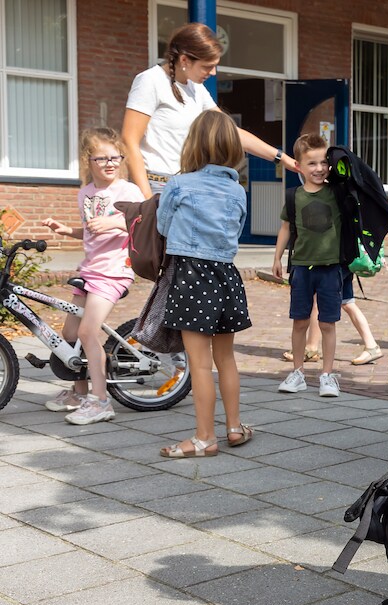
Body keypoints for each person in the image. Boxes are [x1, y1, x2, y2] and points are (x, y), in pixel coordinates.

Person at [156, 110, 254, 457]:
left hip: (192, 276)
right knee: (226, 358)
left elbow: (164, 227)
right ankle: (233, 427)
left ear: (193, 144)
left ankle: (203, 438)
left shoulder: (180, 184)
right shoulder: (238, 190)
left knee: (199, 363)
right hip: (226, 275)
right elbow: (236, 231)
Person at [122, 22, 297, 198]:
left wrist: (283, 159)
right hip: (159, 186)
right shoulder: (150, 81)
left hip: (189, 185)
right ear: (184, 60)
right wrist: (146, 201)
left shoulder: (195, 87)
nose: (213, 72)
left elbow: (230, 132)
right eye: (207, 66)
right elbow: (129, 141)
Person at [42, 128, 144, 425]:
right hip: (89, 268)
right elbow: (91, 230)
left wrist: (114, 224)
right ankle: (78, 391)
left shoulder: (128, 192)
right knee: (70, 335)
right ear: (88, 160)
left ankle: (101, 401)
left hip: (114, 270)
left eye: (116, 157)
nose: (111, 163)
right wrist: (69, 231)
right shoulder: (85, 193)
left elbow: (145, 226)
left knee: (88, 332)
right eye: (103, 158)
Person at [271, 133, 344, 397]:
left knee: (327, 323)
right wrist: (277, 257)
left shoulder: (337, 192)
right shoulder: (294, 196)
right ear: (299, 167)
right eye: (312, 163)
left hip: (330, 268)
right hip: (301, 268)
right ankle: (298, 372)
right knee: (300, 322)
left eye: (324, 162)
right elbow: (285, 228)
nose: (319, 168)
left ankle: (327, 375)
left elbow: (354, 174)